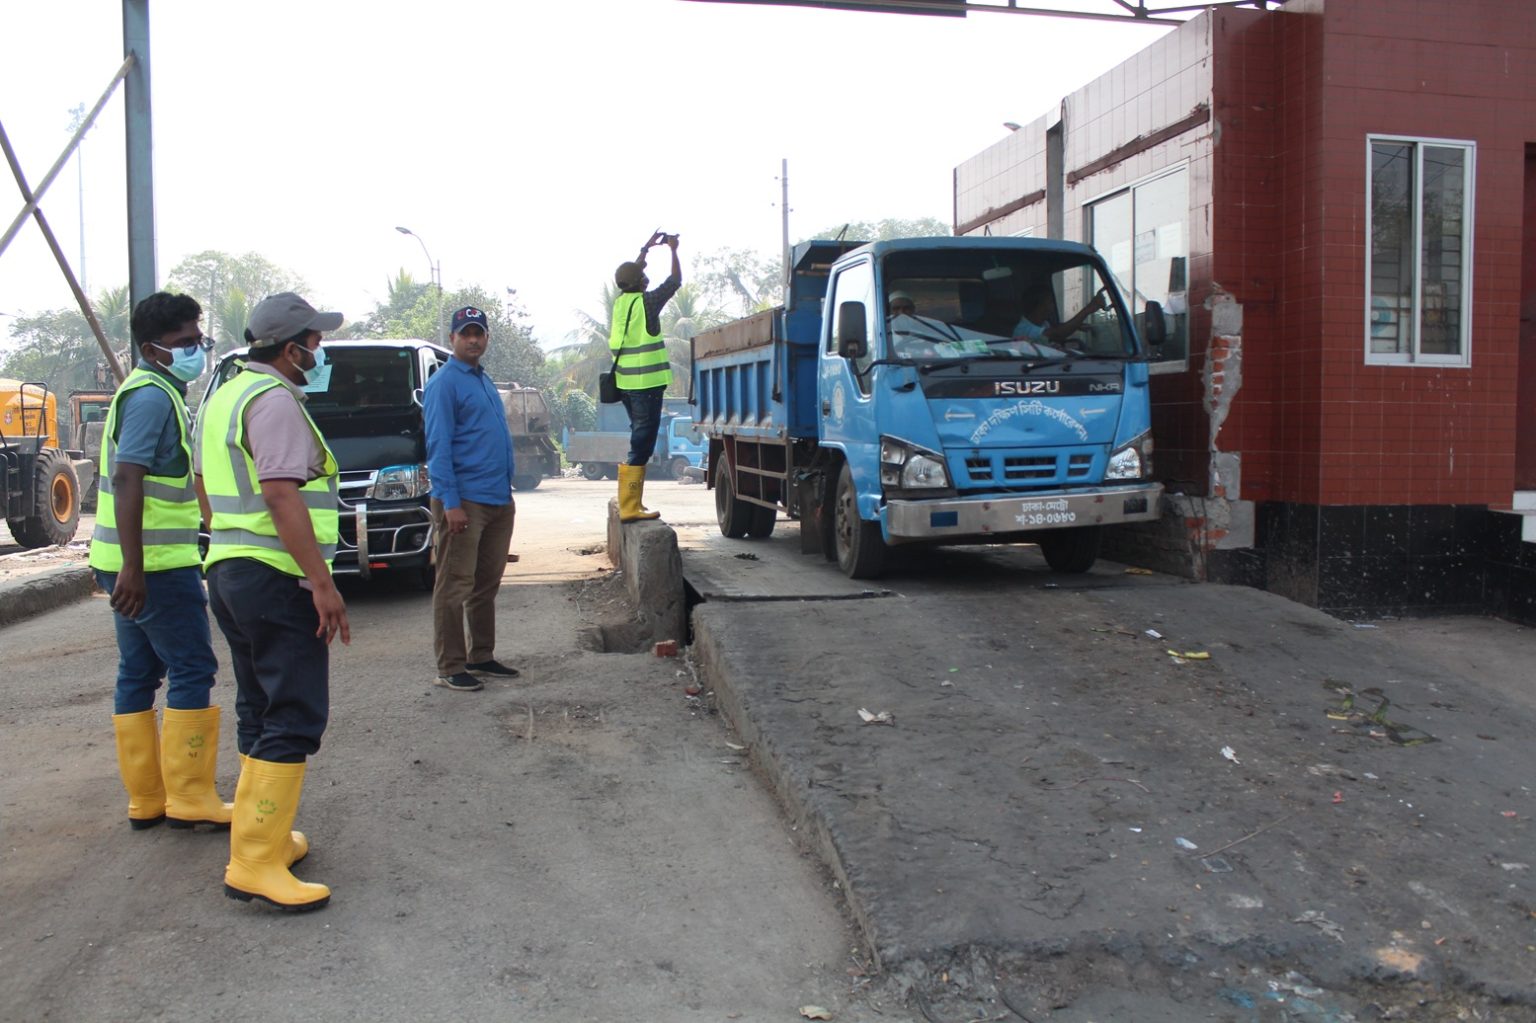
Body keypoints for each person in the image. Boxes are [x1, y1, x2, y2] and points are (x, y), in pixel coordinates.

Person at [195, 291, 350, 912]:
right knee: (293, 712)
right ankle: (255, 862)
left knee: (259, 705)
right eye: (316, 342)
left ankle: (264, 838)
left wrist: (233, 546)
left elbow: (206, 487)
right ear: (291, 349)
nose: (320, 352)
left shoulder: (223, 395)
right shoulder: (275, 400)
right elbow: (283, 497)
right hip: (276, 578)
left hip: (230, 572)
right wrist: (323, 583)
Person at [90, 292, 231, 833]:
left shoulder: (155, 392)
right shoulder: (151, 396)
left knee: (140, 671)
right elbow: (129, 476)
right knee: (193, 668)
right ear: (153, 348)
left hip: (133, 561)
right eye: (184, 343)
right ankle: (191, 795)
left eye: (199, 339)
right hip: (153, 566)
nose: (196, 349)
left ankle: (147, 798)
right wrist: (134, 567)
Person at [422, 305, 519, 693]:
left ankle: (482, 656)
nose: (474, 339)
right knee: (454, 585)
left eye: (479, 333)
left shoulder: (483, 379)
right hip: (464, 501)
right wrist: (450, 502)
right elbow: (438, 445)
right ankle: (450, 666)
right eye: (466, 333)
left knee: (485, 585)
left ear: (487, 338)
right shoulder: (445, 383)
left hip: (497, 498)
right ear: (453, 339)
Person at [609, 231, 681, 521]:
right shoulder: (646, 304)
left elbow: (631, 274)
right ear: (640, 282)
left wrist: (645, 250)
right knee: (642, 443)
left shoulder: (621, 303)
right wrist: (674, 251)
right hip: (646, 385)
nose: (646, 277)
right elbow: (674, 282)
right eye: (642, 276)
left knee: (639, 439)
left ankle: (632, 503)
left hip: (625, 383)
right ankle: (629, 506)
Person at [1013, 285, 1107, 346]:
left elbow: (1056, 328)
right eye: (1050, 302)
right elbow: (1058, 333)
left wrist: (1077, 325)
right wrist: (1089, 309)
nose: (1053, 306)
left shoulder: (1043, 324)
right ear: (1039, 305)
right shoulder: (1023, 330)